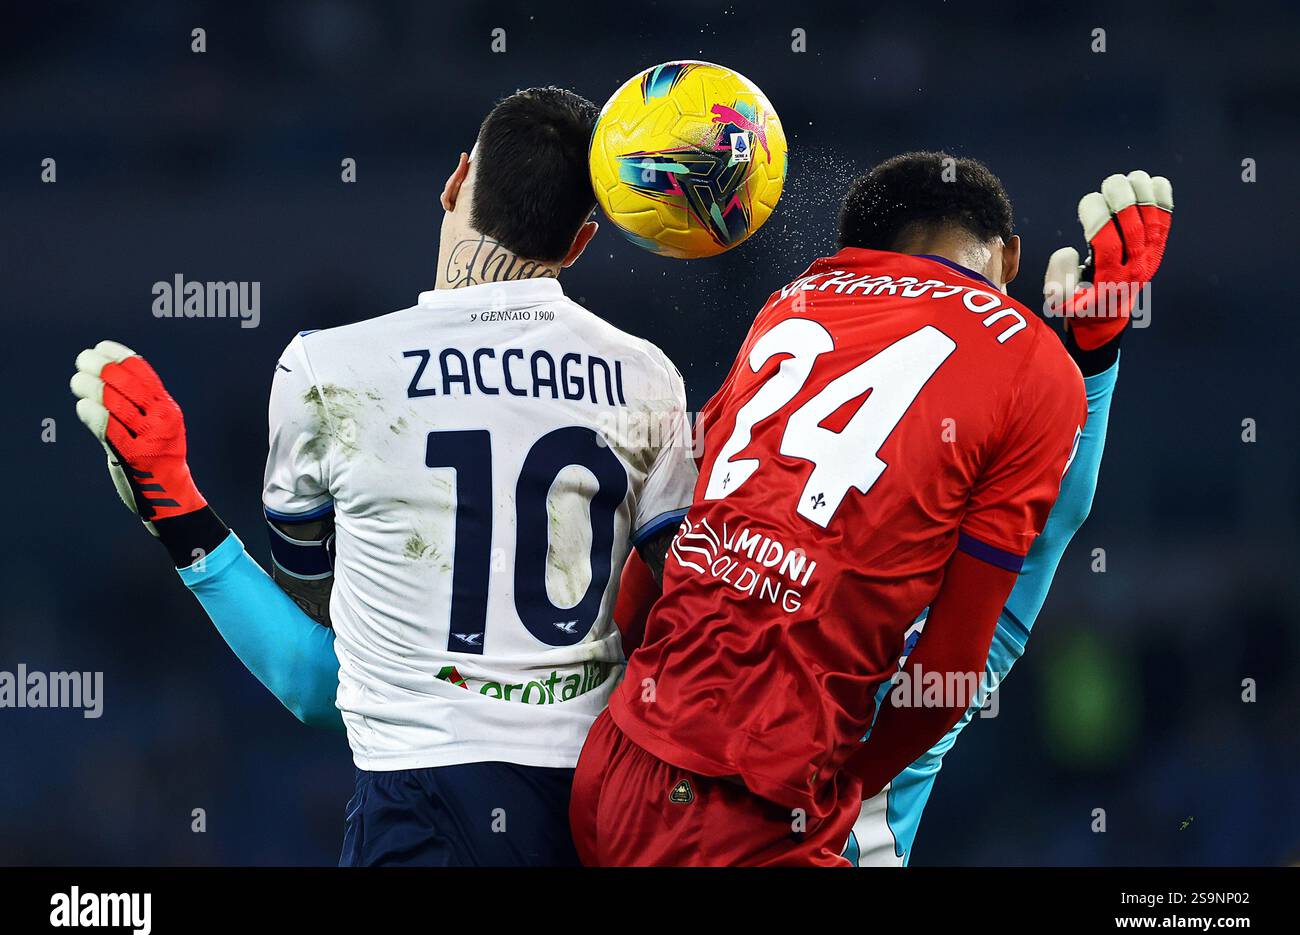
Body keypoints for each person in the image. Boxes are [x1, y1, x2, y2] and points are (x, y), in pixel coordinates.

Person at [68, 87, 696, 867]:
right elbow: (683, 618)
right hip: (595, 812)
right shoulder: (650, 380)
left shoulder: (327, 369)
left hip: (418, 807)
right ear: (581, 242)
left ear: (456, 178)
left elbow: (316, 669)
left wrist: (177, 510)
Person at [570, 152, 1168, 866]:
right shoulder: (1019, 368)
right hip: (787, 817)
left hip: (618, 763)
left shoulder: (791, 304)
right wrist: (1090, 364)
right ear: (1009, 257)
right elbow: (1005, 602)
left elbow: (661, 552)